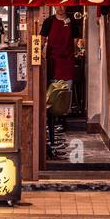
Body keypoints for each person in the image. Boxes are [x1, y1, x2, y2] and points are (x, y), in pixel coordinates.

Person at [41, 8, 76, 155]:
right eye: (58, 4)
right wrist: (41, 56)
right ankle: (52, 126)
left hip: (67, 62)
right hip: (52, 63)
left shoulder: (72, 21)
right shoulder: (48, 21)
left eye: (64, 4)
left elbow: (76, 41)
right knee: (51, 97)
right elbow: (42, 40)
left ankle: (62, 123)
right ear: (55, 6)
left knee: (64, 96)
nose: (61, 7)